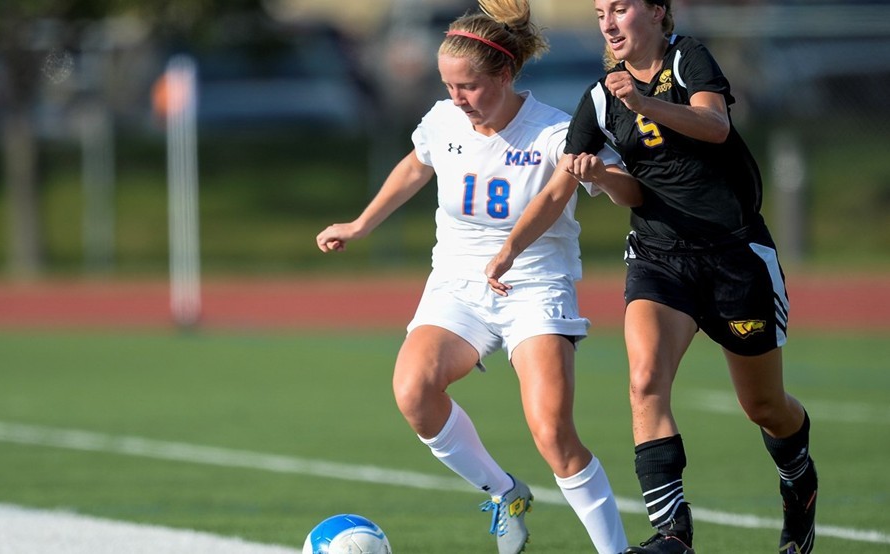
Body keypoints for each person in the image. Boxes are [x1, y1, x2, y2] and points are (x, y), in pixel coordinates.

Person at [485, 1, 818, 553]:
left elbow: (715, 125)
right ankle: (673, 535)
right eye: (598, 13)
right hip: (660, 258)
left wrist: (641, 102)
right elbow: (567, 190)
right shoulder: (597, 99)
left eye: (620, 8)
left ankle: (799, 482)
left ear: (658, 12)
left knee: (765, 408)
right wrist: (512, 248)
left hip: (736, 258)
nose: (608, 23)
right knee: (644, 382)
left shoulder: (688, 59)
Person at [316, 1, 642, 552]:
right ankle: (505, 492)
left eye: (467, 86)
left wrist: (604, 177)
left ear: (505, 75)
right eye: (448, 85)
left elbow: (633, 193)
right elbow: (418, 163)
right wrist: (361, 223)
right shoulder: (445, 120)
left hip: (535, 286)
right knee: (415, 392)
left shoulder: (555, 132)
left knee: (552, 433)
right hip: (457, 284)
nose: (456, 98)